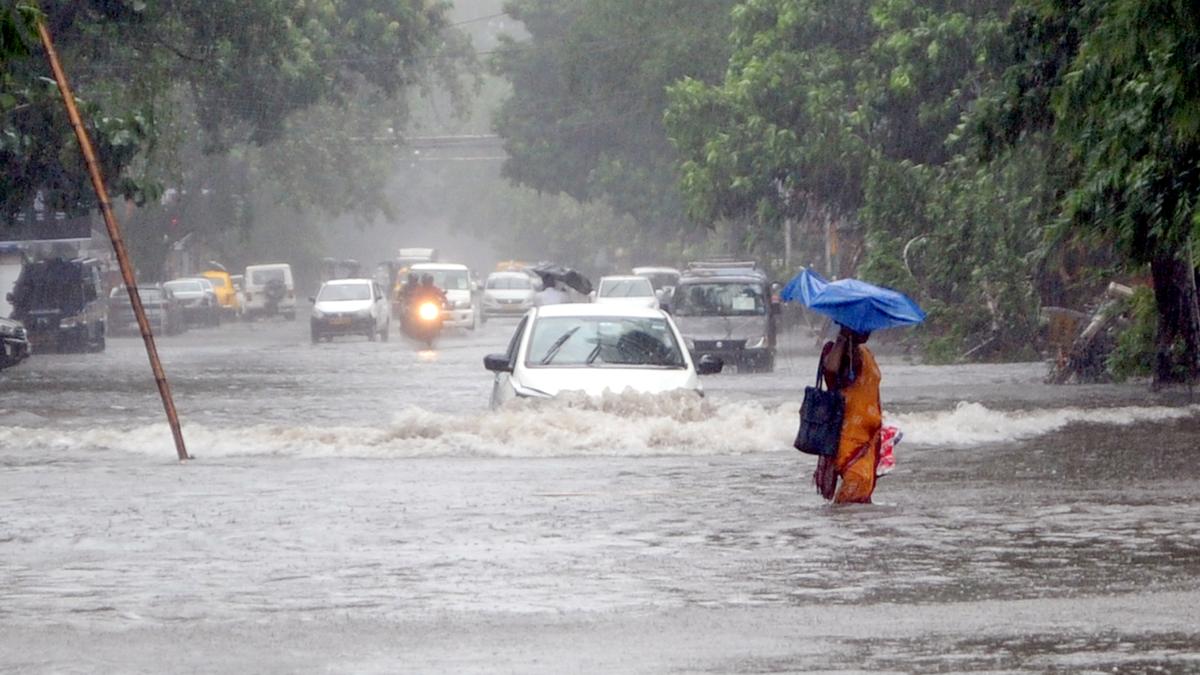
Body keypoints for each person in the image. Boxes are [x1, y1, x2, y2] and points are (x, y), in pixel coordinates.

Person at [813, 325, 882, 504]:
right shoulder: (836, 352)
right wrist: (842, 338)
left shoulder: (866, 353)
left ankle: (853, 526)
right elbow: (830, 370)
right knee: (856, 480)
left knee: (863, 492)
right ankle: (841, 523)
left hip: (869, 436)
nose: (867, 331)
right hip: (846, 435)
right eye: (861, 326)